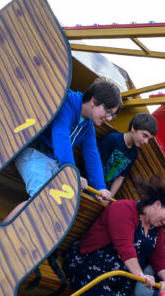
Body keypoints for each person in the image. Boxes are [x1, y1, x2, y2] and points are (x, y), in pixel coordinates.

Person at [7, 80, 122, 220]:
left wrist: (100, 187)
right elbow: (61, 137)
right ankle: (3, 230)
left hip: (53, 163)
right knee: (42, 200)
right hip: (34, 152)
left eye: (112, 115)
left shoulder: (88, 127)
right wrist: (72, 173)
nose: (109, 118)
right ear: (93, 101)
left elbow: (92, 156)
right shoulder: (68, 103)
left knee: (60, 209)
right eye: (108, 111)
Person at [98, 112, 157, 197]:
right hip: (93, 183)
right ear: (133, 128)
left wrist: (109, 198)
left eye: (149, 139)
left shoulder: (134, 154)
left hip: (105, 191)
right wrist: (99, 189)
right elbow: (96, 165)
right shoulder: (112, 139)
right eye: (144, 135)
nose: (146, 141)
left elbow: (120, 177)